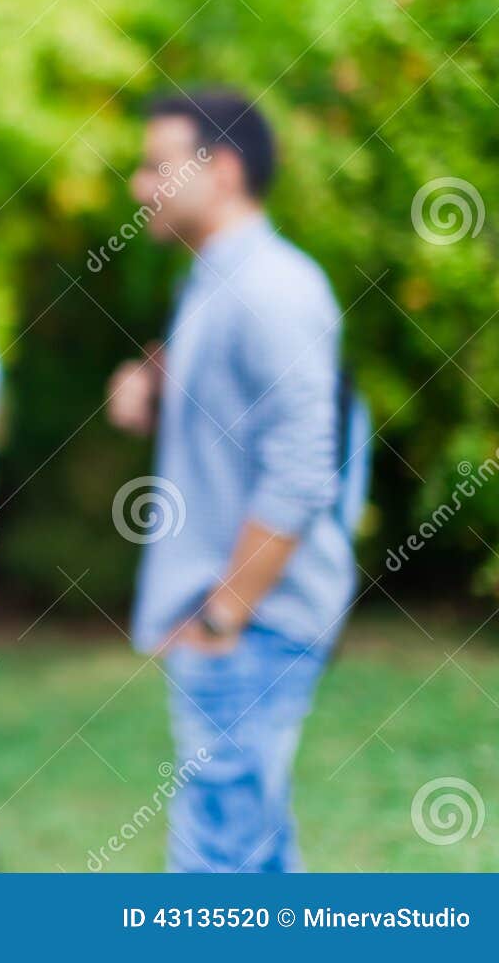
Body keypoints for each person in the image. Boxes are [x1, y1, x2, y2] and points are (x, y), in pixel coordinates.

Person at [106, 90, 354, 872]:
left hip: (251, 623)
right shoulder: (213, 282)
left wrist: (225, 615)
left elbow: (302, 465)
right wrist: (155, 390)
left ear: (223, 171)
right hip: (236, 621)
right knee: (256, 855)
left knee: (218, 870)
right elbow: (245, 422)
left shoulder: (275, 288)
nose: (140, 185)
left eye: (157, 166)